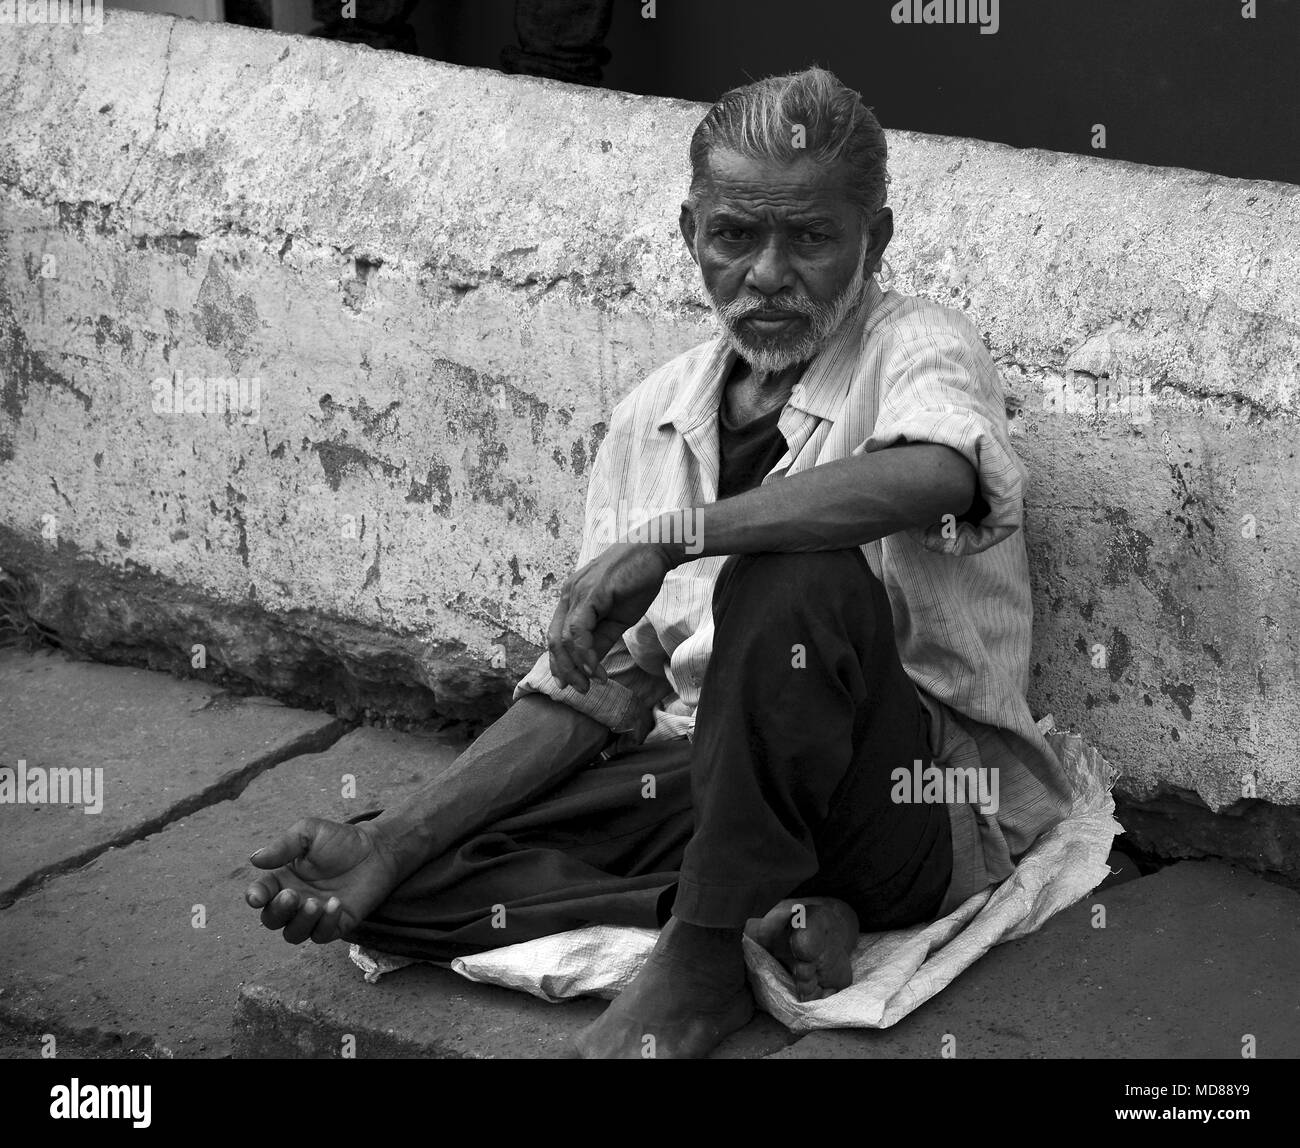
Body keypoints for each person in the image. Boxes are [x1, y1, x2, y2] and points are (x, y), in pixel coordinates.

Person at [245, 66, 1072, 1059]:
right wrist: (395, 838)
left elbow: (937, 474)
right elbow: (588, 690)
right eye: (734, 235)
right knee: (406, 874)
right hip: (726, 785)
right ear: (690, 234)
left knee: (790, 576)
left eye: (810, 238)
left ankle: (705, 959)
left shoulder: (916, 345)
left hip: (906, 801)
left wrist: (680, 535)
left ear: (873, 240)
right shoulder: (656, 411)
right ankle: (756, 910)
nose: (767, 273)